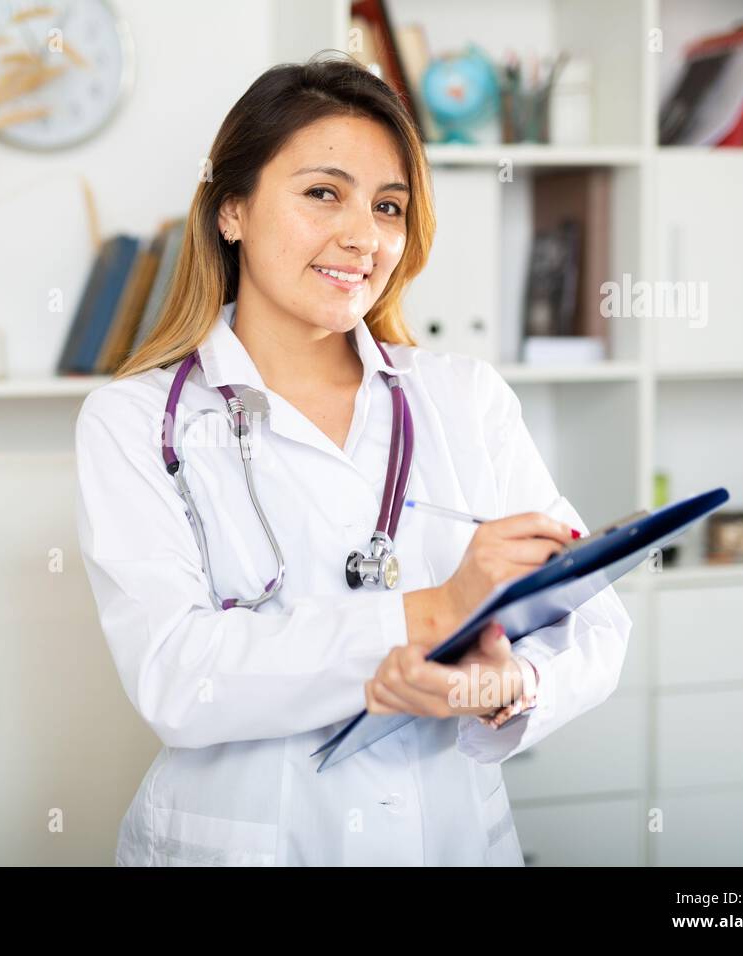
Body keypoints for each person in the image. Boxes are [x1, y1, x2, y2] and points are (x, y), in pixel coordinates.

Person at [73, 54, 631, 866]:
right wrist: (431, 614)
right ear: (231, 209)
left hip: (446, 837)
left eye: (388, 206)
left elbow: (592, 619)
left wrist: (505, 684)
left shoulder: (463, 398)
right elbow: (176, 677)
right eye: (323, 193)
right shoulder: (134, 422)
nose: (363, 236)